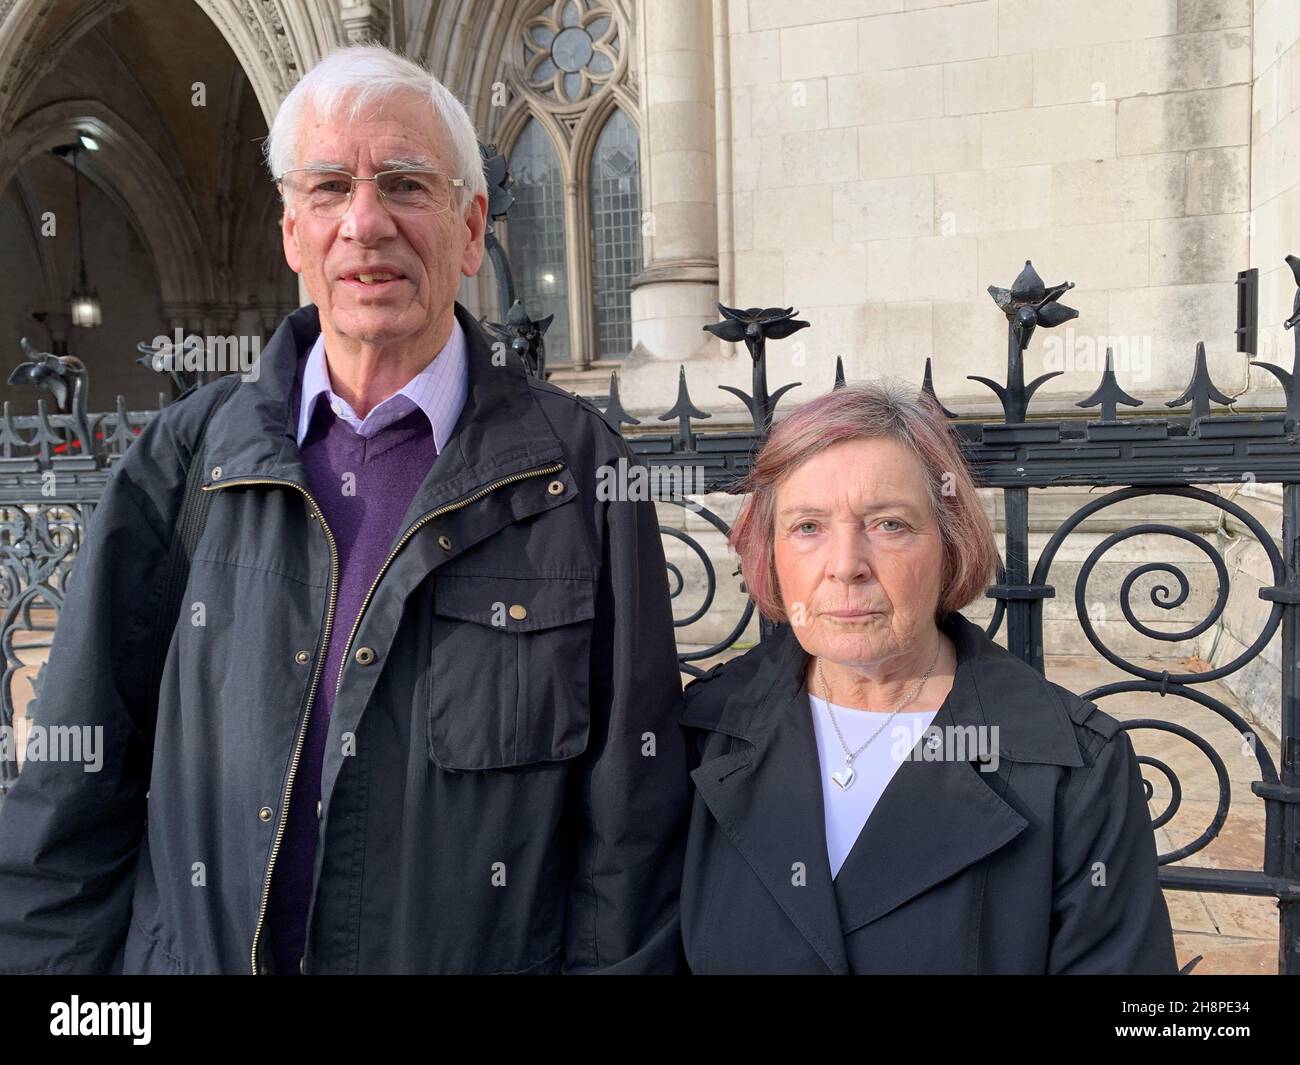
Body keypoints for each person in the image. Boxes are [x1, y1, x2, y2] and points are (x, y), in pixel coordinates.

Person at [0, 44, 688, 974]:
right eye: (328, 188)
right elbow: (72, 804)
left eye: (405, 184)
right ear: (293, 232)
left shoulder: (578, 477)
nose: (365, 223)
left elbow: (627, 843)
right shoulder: (184, 461)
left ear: (471, 225)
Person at [679, 380, 1179, 974]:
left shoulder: (1074, 766)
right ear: (769, 551)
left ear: (949, 543)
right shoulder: (702, 729)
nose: (845, 567)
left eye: (889, 524)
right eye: (807, 526)